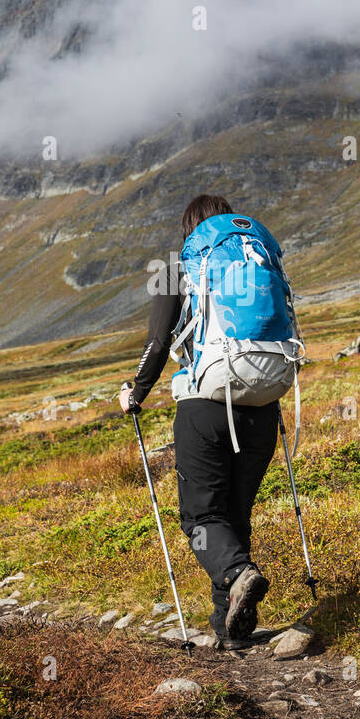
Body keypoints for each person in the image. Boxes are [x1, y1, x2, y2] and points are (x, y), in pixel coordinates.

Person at [119, 193, 280, 649]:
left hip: (205, 404)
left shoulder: (177, 268)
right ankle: (226, 624)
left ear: (190, 229)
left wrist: (136, 391)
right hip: (262, 403)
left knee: (202, 516)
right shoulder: (259, 258)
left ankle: (237, 575)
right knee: (234, 514)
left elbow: (157, 340)